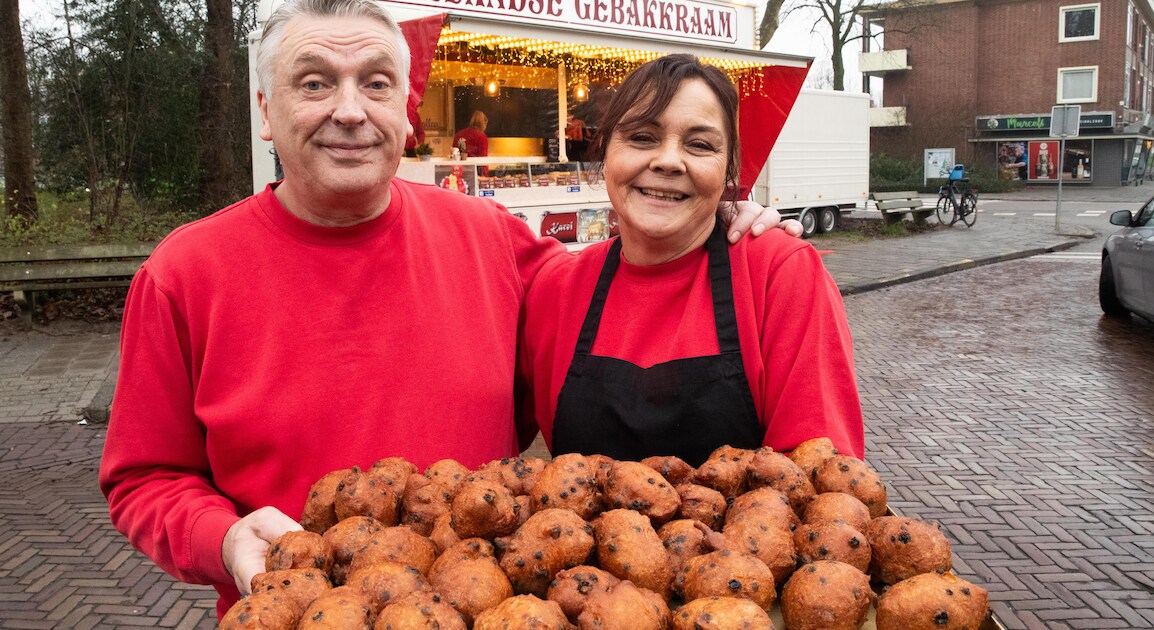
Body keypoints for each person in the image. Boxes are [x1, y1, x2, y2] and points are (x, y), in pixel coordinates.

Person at [97, 0, 791, 618]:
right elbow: (144, 476)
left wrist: (714, 228)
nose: (349, 110)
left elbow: (630, 289)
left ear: (406, 111)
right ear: (263, 111)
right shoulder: (184, 276)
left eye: (376, 84)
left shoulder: (492, 240)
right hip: (295, 610)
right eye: (314, 83)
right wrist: (221, 539)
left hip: (477, 607)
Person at [518, 54, 864, 467]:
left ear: (728, 170)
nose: (668, 160)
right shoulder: (555, 290)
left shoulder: (779, 274)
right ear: (605, 153)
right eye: (642, 137)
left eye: (699, 145)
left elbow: (821, 476)